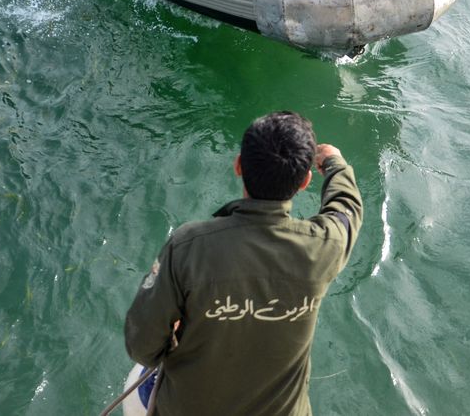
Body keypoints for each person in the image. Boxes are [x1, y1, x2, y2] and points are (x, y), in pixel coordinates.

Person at [124, 111, 362, 416]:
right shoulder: (324, 246)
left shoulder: (187, 247)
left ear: (239, 166)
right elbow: (346, 210)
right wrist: (334, 163)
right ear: (304, 182)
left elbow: (142, 346)